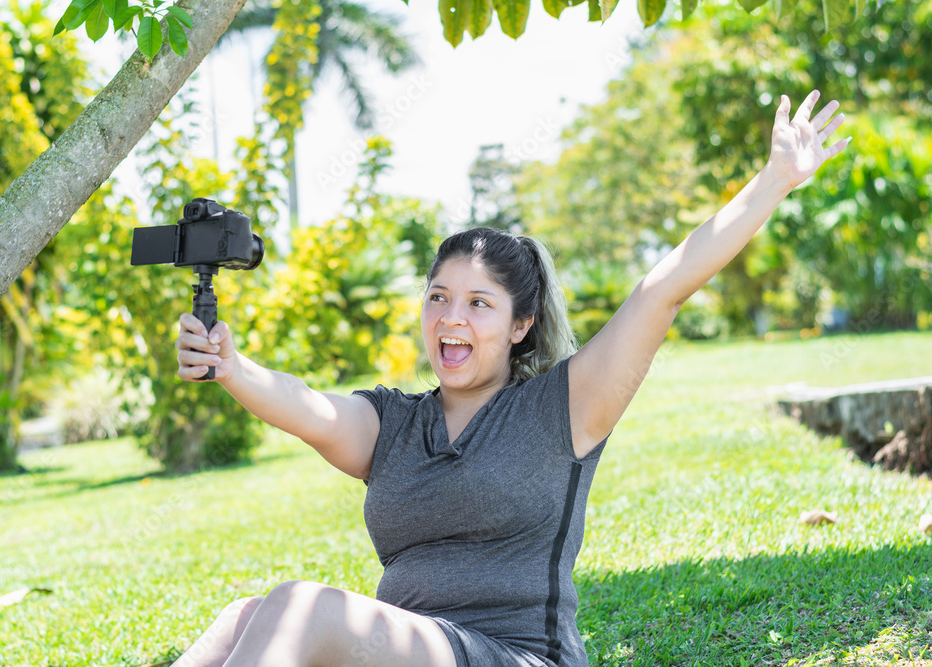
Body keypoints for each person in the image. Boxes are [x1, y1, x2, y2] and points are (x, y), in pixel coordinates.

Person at [170, 91, 848, 667]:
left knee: (299, 605)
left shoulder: (563, 409)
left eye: (477, 303)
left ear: (520, 324)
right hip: (423, 649)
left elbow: (659, 292)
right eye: (438, 297)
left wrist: (775, 179)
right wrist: (230, 365)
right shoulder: (396, 425)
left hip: (516, 653)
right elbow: (311, 409)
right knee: (244, 614)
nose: (450, 318)